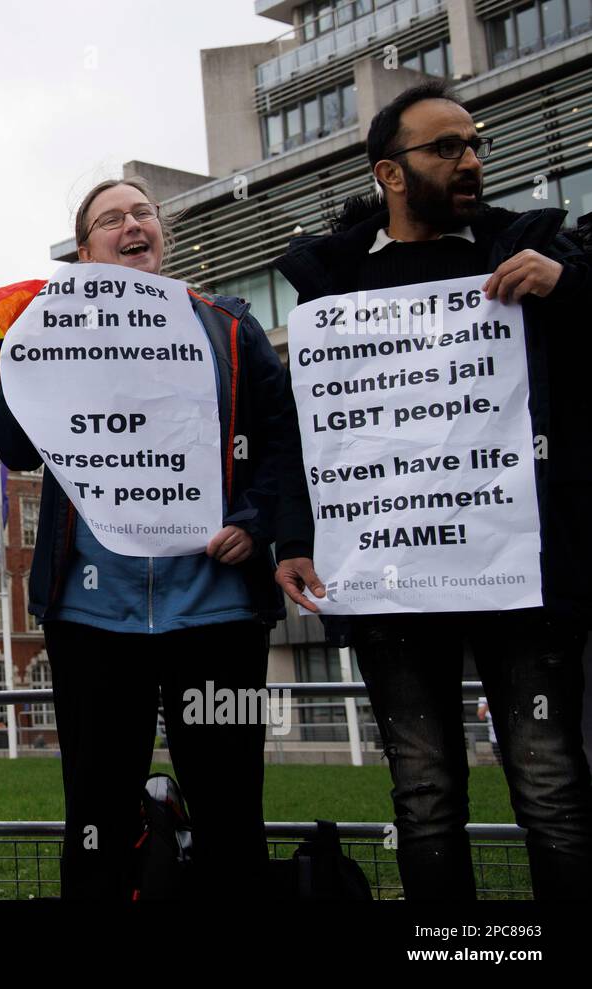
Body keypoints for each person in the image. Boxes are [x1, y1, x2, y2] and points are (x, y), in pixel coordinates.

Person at [274, 80, 592, 900]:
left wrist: (570, 290)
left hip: (526, 574)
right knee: (423, 798)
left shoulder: (532, 258)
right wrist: (296, 537)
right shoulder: (331, 286)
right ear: (389, 172)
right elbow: (307, 432)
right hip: (393, 580)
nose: (471, 161)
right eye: (446, 148)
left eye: (474, 143)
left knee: (550, 785)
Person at [0, 177, 292, 899]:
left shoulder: (227, 325)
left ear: (161, 235)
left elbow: (284, 446)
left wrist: (254, 523)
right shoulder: (53, 332)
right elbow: (16, 450)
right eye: (111, 219)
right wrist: (22, 355)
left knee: (230, 815)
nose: (132, 225)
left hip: (216, 612)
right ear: (86, 251)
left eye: (143, 213)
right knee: (94, 816)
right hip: (94, 617)